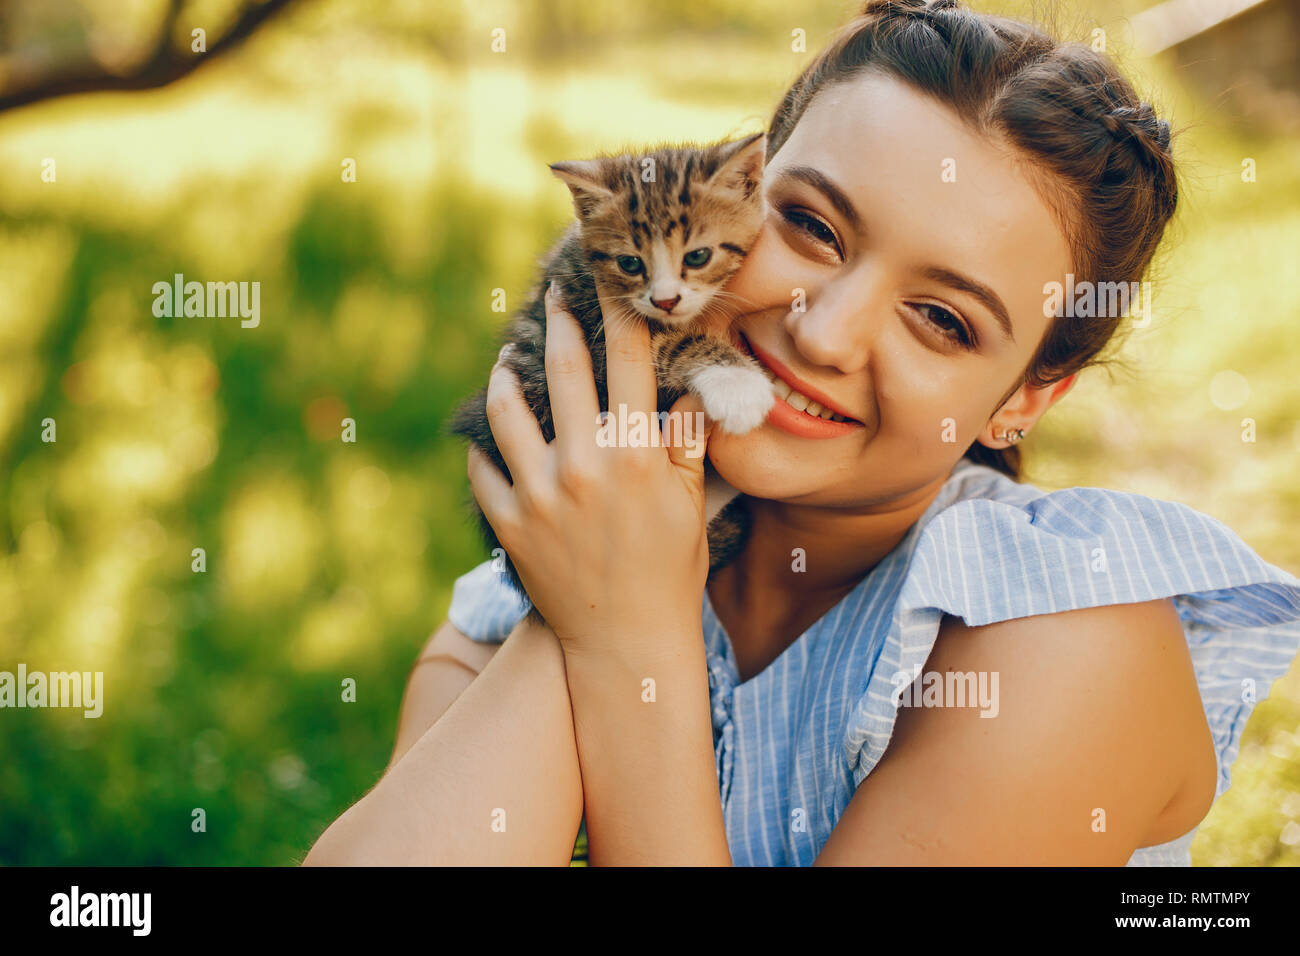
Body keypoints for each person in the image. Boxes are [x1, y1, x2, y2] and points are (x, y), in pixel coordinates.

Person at [304, 0, 1300, 866]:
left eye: (943, 319)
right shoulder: (541, 572)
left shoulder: (1069, 648)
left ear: (1025, 400)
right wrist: (600, 566)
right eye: (812, 227)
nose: (821, 332)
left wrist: (622, 635)